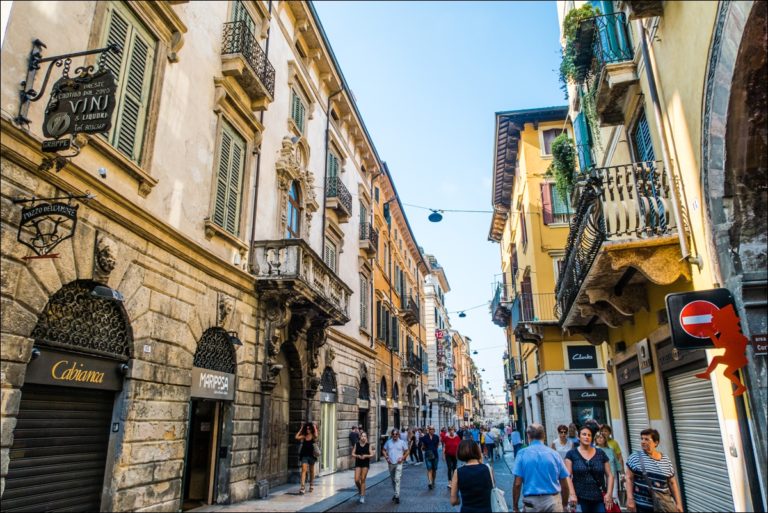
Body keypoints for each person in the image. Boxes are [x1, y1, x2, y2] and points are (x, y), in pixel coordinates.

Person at [512, 423, 570, 513]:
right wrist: (565, 505)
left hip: (532, 503)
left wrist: (515, 506)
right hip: (553, 501)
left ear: (528, 436)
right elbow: (564, 484)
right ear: (544, 436)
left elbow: (517, 484)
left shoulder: (522, 454)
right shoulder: (554, 454)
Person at [625, 428, 683, 513]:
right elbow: (629, 478)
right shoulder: (635, 457)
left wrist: (678, 504)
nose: (643, 442)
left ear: (656, 443)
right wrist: (630, 499)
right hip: (641, 506)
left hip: (663, 506)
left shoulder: (665, 460)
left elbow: (672, 482)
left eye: (647, 439)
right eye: (642, 439)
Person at [564, 426, 615, 513]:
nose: (587, 437)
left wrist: (609, 493)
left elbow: (610, 475)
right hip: (579, 498)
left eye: (589, 435)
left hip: (599, 497)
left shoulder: (600, 453)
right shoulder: (571, 454)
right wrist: (572, 495)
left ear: (592, 438)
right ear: (578, 437)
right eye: (584, 434)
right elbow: (567, 476)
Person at [450, 439, 494, 512]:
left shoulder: (458, 472)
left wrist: (458, 500)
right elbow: (491, 488)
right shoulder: (488, 469)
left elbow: (453, 501)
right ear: (477, 451)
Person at [382, 428, 409, 504]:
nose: (395, 435)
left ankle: (397, 496)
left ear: (398, 435)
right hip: (391, 463)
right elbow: (383, 450)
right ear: (391, 435)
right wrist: (386, 457)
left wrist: (403, 458)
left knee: (397, 479)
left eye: (396, 434)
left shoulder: (402, 442)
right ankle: (395, 493)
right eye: (393, 434)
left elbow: (407, 451)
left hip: (399, 463)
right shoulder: (388, 442)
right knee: (393, 480)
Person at [595, 432, 621, 505]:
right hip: (600, 477)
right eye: (597, 437)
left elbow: (616, 463)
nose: (599, 439)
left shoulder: (610, 450)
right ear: (595, 440)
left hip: (612, 475)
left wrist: (622, 474)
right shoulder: (593, 450)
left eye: (601, 437)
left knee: (614, 496)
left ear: (604, 439)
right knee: (603, 496)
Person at [295, 422, 318, 494]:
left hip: (312, 455)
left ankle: (311, 484)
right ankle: (302, 487)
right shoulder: (304, 436)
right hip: (304, 455)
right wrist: (301, 428)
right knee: (303, 470)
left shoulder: (313, 436)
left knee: (311, 471)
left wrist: (314, 427)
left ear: (311, 429)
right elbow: (296, 437)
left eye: (309, 429)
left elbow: (316, 435)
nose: (308, 430)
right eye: (307, 429)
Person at [352, 431, 374, 504]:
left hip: (365, 463)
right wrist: (357, 456)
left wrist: (366, 456)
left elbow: (372, 454)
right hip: (358, 463)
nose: (363, 437)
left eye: (365, 436)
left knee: (363, 479)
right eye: (362, 436)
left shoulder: (368, 445)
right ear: (360, 437)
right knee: (356, 480)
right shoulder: (357, 444)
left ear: (366, 437)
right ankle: (360, 490)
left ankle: (362, 496)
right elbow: (352, 453)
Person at [420, 425, 441, 489]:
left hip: (435, 455)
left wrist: (433, 449)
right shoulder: (425, 437)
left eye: (433, 429)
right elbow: (423, 446)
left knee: (434, 469)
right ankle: (430, 482)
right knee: (429, 469)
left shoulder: (436, 437)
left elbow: (437, 445)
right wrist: (425, 449)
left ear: (434, 430)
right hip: (428, 455)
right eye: (430, 429)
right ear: (428, 430)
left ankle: (433, 481)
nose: (431, 430)